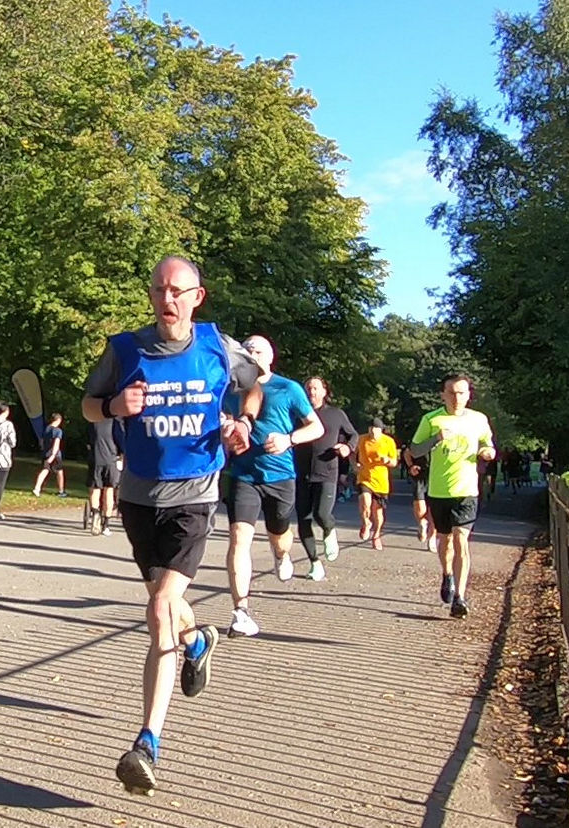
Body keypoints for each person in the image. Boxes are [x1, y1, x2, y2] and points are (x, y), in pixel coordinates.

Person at [82, 255, 261, 795]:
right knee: (167, 600)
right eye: (159, 289)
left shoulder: (218, 347)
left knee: (158, 606)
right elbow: (88, 406)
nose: (167, 300)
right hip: (139, 496)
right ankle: (198, 640)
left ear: (196, 297)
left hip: (195, 493)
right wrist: (113, 404)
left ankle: (147, 742)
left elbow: (256, 386)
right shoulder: (125, 349)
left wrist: (243, 422)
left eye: (178, 291)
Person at [224, 338, 324, 637]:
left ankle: (281, 554)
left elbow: (316, 427)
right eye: (247, 350)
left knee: (279, 533)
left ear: (271, 358)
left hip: (280, 475)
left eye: (258, 351)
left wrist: (288, 439)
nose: (252, 354)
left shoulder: (288, 388)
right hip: (243, 474)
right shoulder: (230, 390)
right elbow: (222, 420)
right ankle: (241, 611)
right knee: (239, 537)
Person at [410, 374, 496, 619]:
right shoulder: (431, 419)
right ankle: (446, 573)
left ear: (469, 394)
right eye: (452, 393)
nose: (457, 398)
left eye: (462, 392)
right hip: (439, 491)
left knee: (461, 540)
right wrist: (436, 438)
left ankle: (459, 596)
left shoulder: (479, 419)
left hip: (467, 490)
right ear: (443, 395)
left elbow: (487, 444)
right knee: (445, 541)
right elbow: (414, 450)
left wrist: (487, 452)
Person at [293, 376, 358, 581]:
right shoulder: (297, 414)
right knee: (303, 520)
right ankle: (315, 563)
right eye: (308, 388)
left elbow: (353, 435)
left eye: (315, 388)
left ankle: (329, 530)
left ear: (324, 391)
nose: (311, 392)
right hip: (301, 473)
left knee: (321, 514)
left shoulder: (335, 414)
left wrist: (348, 448)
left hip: (327, 471)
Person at [355, 417, 398, 550]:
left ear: (381, 430)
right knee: (365, 501)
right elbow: (353, 453)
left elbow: (394, 462)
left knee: (378, 513)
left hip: (381, 481)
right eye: (371, 428)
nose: (373, 431)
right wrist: (354, 465)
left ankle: (376, 535)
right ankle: (366, 523)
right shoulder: (362, 439)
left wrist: (387, 460)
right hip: (364, 477)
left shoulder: (388, 441)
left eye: (376, 429)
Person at [86, 418, 124, 536]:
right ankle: (106, 525)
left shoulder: (92, 421)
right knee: (109, 490)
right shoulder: (116, 422)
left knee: (95, 488)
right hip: (111, 459)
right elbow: (121, 443)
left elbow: (89, 441)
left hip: (96, 458)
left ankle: (95, 513)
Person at [402, 445, 437, 552]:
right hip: (421, 473)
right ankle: (423, 524)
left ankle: (430, 535)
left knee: (434, 509)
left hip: (437, 476)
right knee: (422, 507)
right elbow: (407, 452)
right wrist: (411, 466)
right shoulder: (421, 438)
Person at [31, 413, 67, 497]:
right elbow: (56, 444)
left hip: (46, 453)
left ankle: (37, 488)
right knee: (59, 472)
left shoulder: (46, 429)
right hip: (55, 455)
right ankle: (61, 491)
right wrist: (53, 455)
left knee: (44, 470)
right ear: (58, 420)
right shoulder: (58, 431)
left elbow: (42, 442)